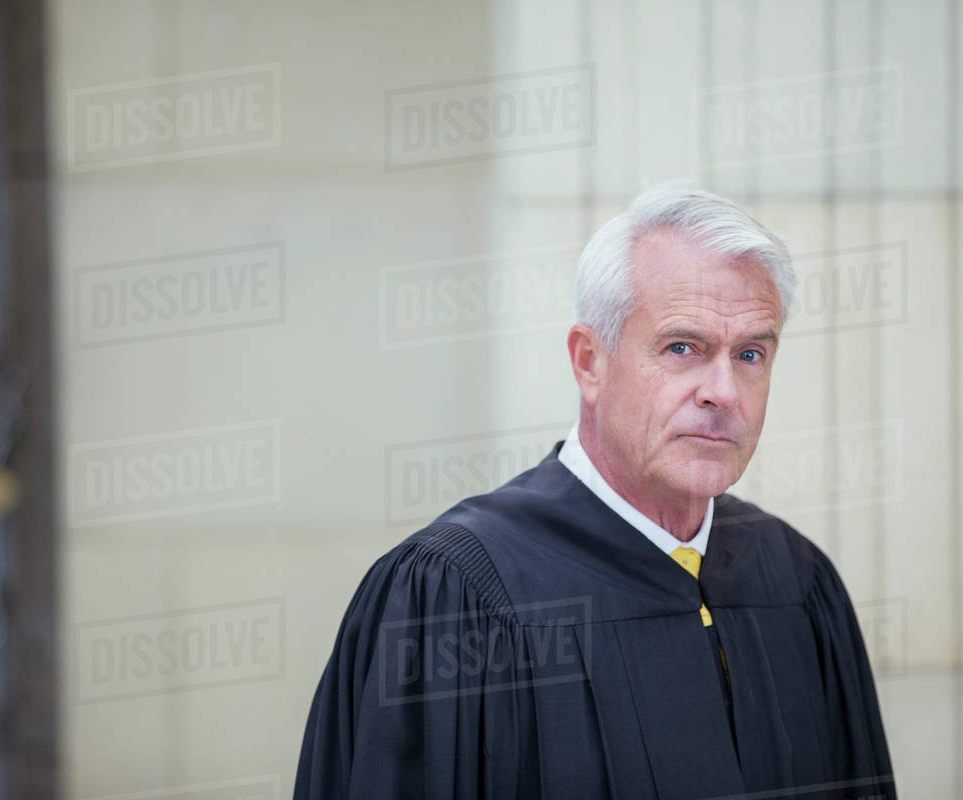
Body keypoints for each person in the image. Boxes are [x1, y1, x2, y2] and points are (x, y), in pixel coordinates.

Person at [294, 183, 897, 800]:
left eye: (750, 354)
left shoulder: (796, 582)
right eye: (682, 347)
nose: (724, 392)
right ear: (590, 362)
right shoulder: (454, 593)